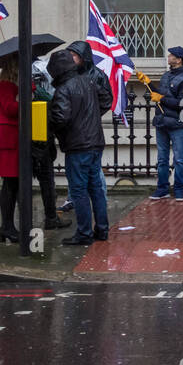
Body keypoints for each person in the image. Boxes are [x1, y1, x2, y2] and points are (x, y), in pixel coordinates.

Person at [49, 48, 112, 245]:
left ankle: (84, 234)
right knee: (96, 189)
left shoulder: (63, 89)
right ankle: (102, 229)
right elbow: (105, 100)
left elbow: (60, 118)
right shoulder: (88, 81)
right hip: (95, 142)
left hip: (78, 146)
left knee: (79, 191)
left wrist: (50, 123)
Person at [147, 46, 183, 201]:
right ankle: (162, 189)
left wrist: (161, 99)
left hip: (177, 124)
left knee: (179, 159)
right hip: (162, 122)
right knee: (162, 158)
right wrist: (149, 83)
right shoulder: (166, 76)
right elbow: (162, 94)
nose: (168, 57)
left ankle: (179, 189)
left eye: (171, 55)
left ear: (179, 59)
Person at [0, 63, 25, 244]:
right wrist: (26, 98)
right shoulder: (6, 86)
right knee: (10, 184)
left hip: (10, 139)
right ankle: (7, 226)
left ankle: (7, 227)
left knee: (12, 184)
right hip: (7, 140)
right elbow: (11, 109)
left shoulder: (9, 87)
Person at [31, 59, 72, 229]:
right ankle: (50, 217)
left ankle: (49, 216)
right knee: (45, 179)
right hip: (37, 139)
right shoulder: (33, 90)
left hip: (39, 137)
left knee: (45, 180)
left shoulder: (34, 87)